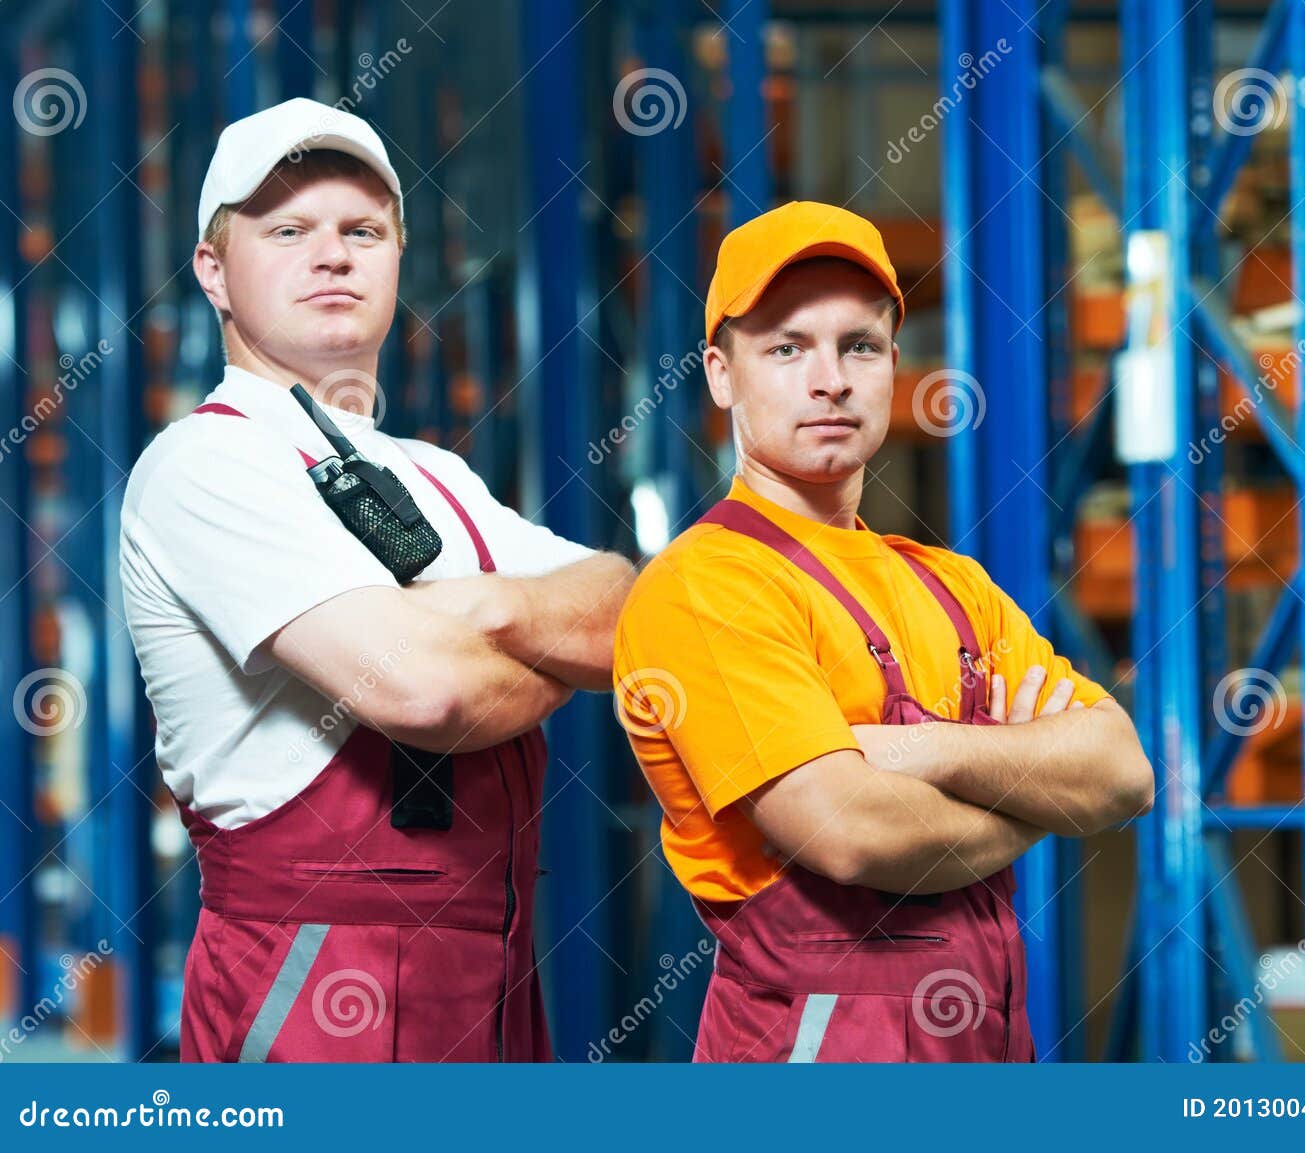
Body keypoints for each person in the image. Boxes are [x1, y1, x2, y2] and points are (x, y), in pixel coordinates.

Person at [120, 98, 634, 1062]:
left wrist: (481, 608)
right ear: (213, 271)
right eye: (288, 231)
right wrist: (537, 644)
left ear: (398, 255)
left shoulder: (437, 475)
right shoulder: (204, 465)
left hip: (493, 971)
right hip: (314, 990)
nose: (333, 256)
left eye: (362, 231)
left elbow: (625, 612)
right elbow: (428, 692)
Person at [613, 201, 1153, 1062]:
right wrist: (1031, 798)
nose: (830, 379)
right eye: (787, 348)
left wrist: (924, 751)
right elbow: (850, 830)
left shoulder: (953, 586)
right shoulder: (705, 585)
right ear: (720, 374)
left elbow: (1123, 771)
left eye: (859, 345)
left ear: (894, 365)